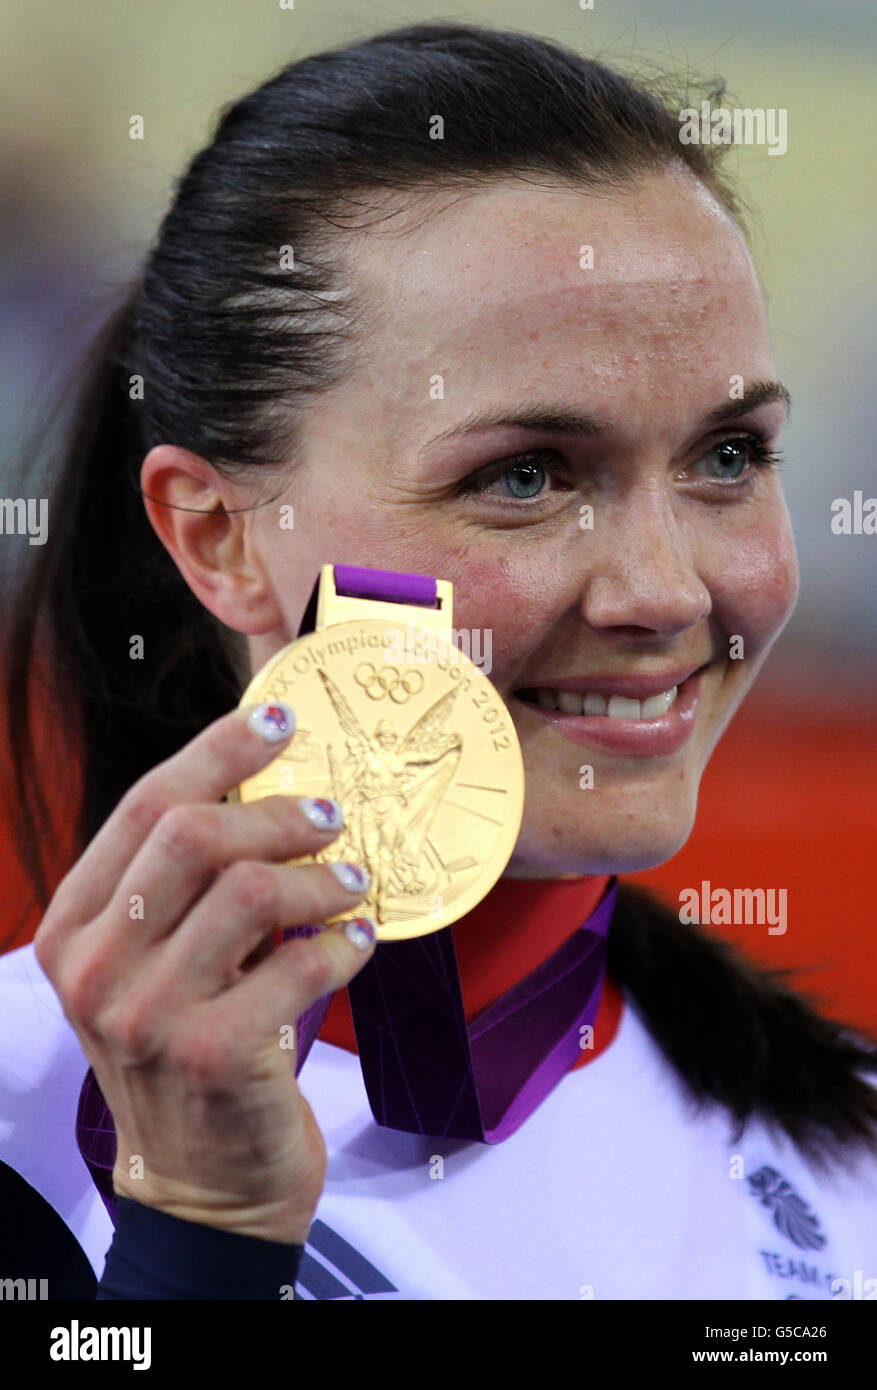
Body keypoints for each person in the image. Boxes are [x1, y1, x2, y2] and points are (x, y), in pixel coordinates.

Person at [2, 21, 876, 1301]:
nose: (666, 590)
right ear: (219, 534)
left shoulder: (841, 1152)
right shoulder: (24, 1117)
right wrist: (197, 1237)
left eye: (728, 457)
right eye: (524, 475)